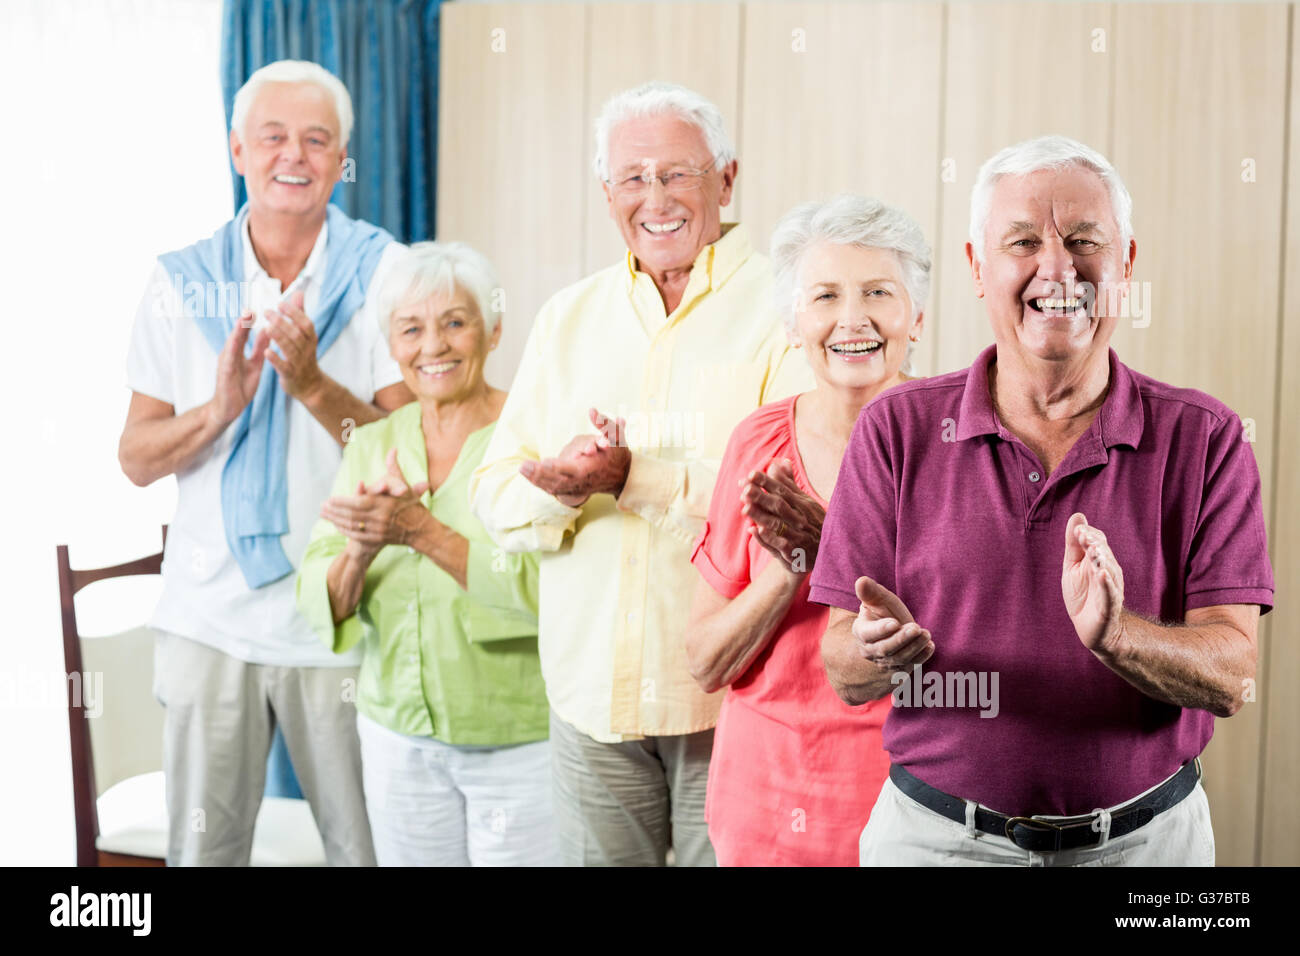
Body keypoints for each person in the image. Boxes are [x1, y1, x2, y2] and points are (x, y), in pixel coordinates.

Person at [813, 135, 1275, 866]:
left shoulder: (1207, 437)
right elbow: (841, 665)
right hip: (934, 843)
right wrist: (880, 654)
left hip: (1147, 847)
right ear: (975, 268)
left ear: (1125, 266)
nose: (1056, 266)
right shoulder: (895, 430)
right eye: (1022, 240)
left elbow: (1234, 676)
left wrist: (1118, 635)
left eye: (1085, 240)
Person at [468, 81, 813, 866]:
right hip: (592, 706)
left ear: (726, 179)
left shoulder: (788, 309)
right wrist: (560, 488)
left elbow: (786, 511)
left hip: (728, 701)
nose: (653, 197)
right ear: (606, 191)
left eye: (676, 174)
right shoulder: (568, 316)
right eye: (631, 178)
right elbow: (493, 494)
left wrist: (636, 479)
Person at [119, 59, 412, 865]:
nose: (295, 155)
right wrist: (219, 411)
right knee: (205, 856)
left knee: (368, 853)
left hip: (345, 621)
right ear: (237, 149)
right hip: (209, 625)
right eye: (274, 136)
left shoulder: (388, 274)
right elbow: (136, 458)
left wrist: (314, 385)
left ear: (342, 156)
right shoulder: (178, 284)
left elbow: (413, 455)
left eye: (317, 139)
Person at [686, 195, 930, 866]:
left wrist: (833, 554)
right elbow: (705, 661)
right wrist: (791, 569)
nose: (851, 319)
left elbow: (973, 649)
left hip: (907, 801)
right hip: (760, 798)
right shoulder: (758, 442)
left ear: (917, 316)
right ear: (794, 323)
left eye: (878, 292)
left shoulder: (956, 447)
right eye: (824, 296)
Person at [297, 241, 552, 866]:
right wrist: (358, 550)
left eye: (454, 323)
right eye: (410, 328)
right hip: (395, 738)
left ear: (492, 333)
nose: (432, 346)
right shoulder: (371, 443)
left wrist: (421, 533)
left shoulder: (534, 436)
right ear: (392, 344)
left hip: (519, 744)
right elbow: (317, 599)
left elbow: (550, 594)